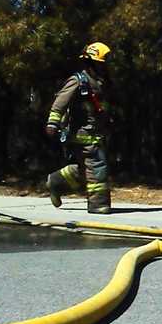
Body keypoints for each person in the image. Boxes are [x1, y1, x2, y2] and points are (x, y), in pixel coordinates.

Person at [45, 42, 113, 214]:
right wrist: (52, 123)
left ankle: (56, 181)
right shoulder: (78, 81)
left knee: (86, 170)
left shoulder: (100, 82)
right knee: (97, 166)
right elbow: (60, 102)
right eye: (100, 62)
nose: (103, 66)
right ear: (90, 62)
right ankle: (98, 205)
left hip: (97, 134)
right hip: (84, 135)